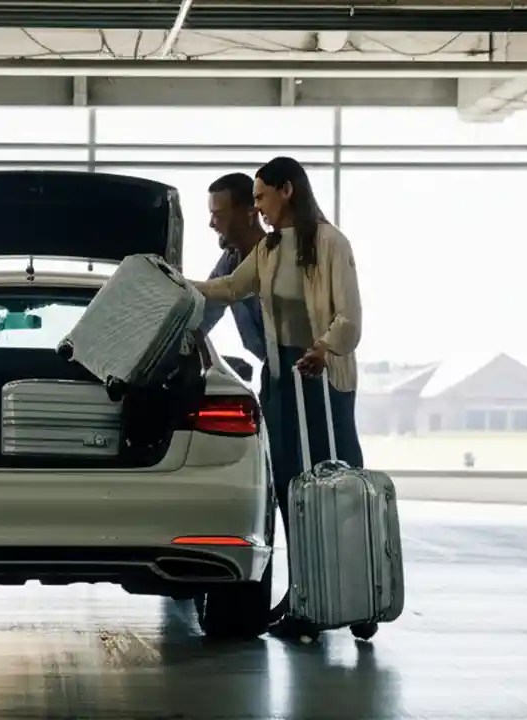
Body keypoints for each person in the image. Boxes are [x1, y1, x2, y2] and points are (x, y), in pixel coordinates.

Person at [191, 156, 365, 638]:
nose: (259, 206)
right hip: (281, 376)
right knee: (289, 486)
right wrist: (176, 284)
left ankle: (349, 593)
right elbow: (227, 288)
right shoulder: (267, 249)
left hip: (323, 373)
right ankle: (306, 593)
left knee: (332, 478)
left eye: (262, 197)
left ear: (287, 191)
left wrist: (323, 349)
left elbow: (348, 315)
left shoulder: (330, 243)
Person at [198, 173, 267, 365]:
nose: (211, 223)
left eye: (218, 215)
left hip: (312, 374)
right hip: (273, 371)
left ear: (250, 214)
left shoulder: (277, 258)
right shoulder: (230, 261)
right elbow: (202, 310)